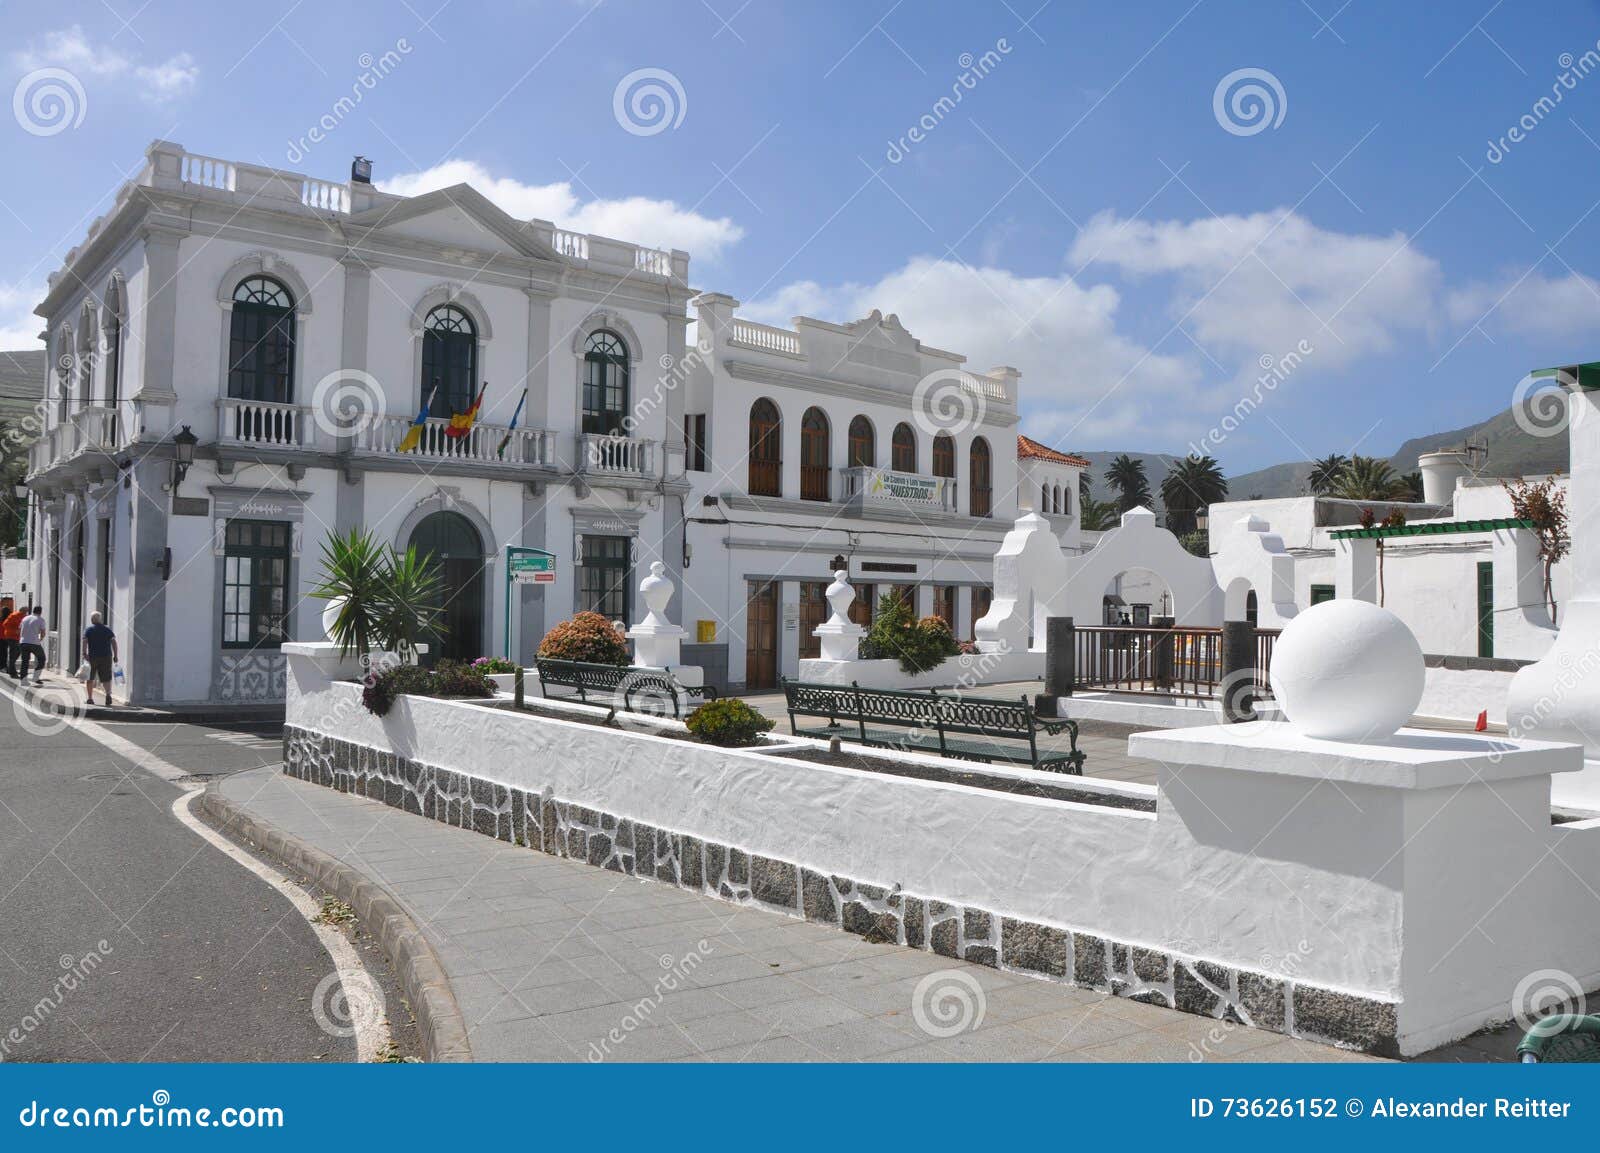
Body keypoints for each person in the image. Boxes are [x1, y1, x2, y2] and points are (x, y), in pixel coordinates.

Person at [81, 612, 118, 706]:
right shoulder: (107, 629)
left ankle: (90, 698)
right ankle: (108, 695)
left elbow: (85, 641)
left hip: (92, 657)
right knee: (106, 678)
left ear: (92, 620)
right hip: (106, 657)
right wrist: (115, 655)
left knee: (90, 678)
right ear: (100, 619)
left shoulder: (89, 630)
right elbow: (114, 642)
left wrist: (84, 653)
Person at [16, 605, 46, 685]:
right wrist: (40, 638)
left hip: (23, 642)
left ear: (33, 611)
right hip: (34, 643)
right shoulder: (40, 619)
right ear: (40, 612)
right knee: (42, 659)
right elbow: (43, 632)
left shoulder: (25, 618)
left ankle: (23, 681)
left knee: (25, 661)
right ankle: (35, 677)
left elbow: (19, 630)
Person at [0, 596, 15, 678]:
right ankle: (7, 667)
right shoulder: (10, 619)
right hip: (9, 637)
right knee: (9, 653)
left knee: (2, 653)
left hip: (1, 638)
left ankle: (3, 666)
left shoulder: (1, 619)